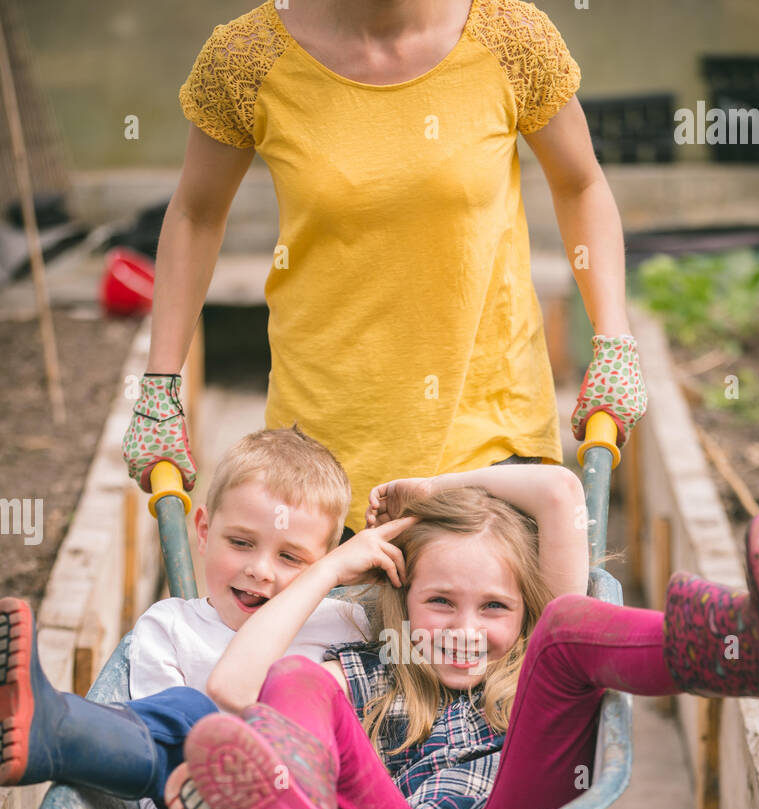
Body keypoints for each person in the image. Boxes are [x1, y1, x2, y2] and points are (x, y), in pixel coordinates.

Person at [121, 0, 647, 534]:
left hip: (491, 437)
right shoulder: (246, 60)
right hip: (321, 457)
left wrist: (614, 339)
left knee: (475, 616)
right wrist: (161, 385)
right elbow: (195, 214)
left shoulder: (509, 39)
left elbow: (580, 184)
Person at [160, 467, 759, 809]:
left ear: (519, 610)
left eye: (492, 606)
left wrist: (435, 489)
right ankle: (290, 791)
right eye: (439, 603)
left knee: (570, 625)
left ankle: (747, 651)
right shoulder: (379, 670)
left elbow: (559, 488)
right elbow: (231, 688)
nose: (463, 631)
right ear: (401, 599)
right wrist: (337, 565)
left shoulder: (531, 670)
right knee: (300, 678)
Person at [0, 425, 412, 809]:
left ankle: (58, 726)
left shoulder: (343, 621)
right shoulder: (170, 626)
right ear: (203, 529)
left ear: (330, 564)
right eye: (240, 543)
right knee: (186, 712)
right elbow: (151, 757)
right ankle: (53, 728)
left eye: (290, 558)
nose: (259, 570)